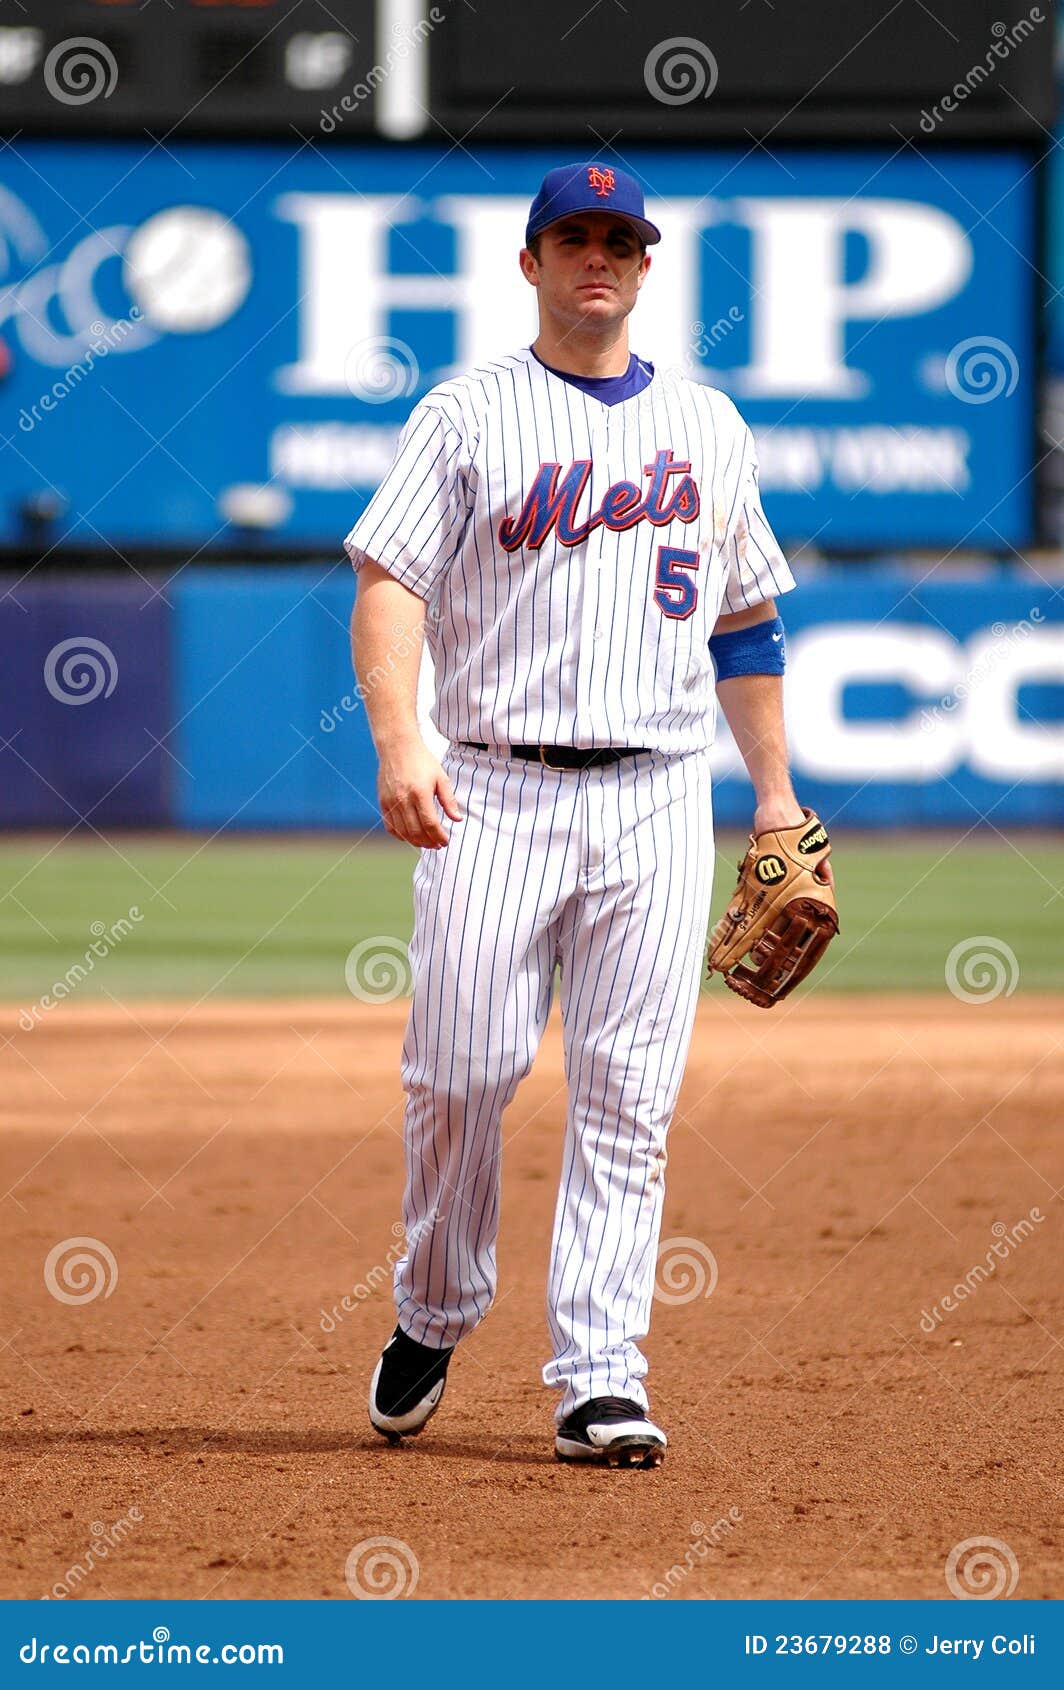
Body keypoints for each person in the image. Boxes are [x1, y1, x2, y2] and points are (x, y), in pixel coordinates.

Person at [345, 161, 828, 1469]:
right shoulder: (468, 414)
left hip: (661, 796)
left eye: (621, 238)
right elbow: (389, 578)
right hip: (492, 785)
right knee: (459, 1075)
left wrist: (774, 794)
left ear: (647, 263)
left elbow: (746, 620)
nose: (598, 256)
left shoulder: (710, 427)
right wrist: (402, 735)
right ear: (531, 261)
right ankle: (433, 1310)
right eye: (574, 237)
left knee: (628, 1092)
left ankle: (600, 1377)